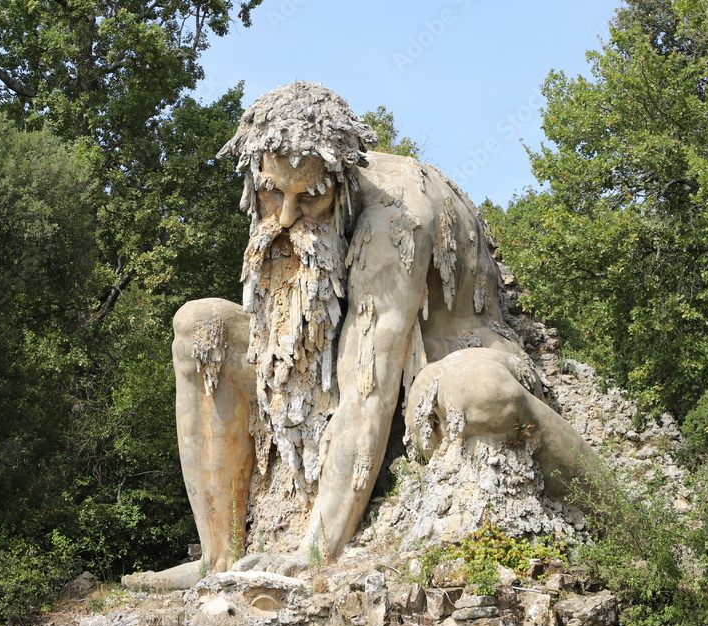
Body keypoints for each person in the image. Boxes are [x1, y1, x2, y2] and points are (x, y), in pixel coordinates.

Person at [123, 82, 599, 590]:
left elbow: (366, 392)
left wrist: (314, 553)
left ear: (341, 183)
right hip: (338, 372)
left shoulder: (394, 221)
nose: (284, 217)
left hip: (436, 370)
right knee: (202, 326)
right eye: (270, 193)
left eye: (309, 199)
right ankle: (216, 558)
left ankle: (622, 515)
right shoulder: (286, 213)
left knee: (475, 392)